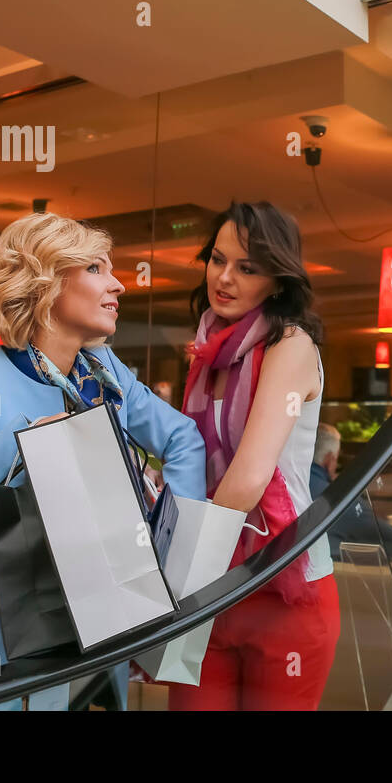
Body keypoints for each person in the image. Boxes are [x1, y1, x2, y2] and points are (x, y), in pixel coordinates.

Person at [0, 213, 206, 709]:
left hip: (92, 655)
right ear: (48, 282)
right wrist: (14, 451)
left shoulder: (106, 376)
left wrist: (175, 560)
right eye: (97, 269)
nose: (119, 284)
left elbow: (184, 440)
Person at [167, 201, 339, 711]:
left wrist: (180, 568)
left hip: (281, 583)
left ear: (277, 280)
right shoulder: (208, 350)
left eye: (247, 268)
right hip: (211, 586)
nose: (224, 278)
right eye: (217, 260)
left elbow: (247, 478)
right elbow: (191, 461)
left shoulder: (291, 345)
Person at [310, 422, 392, 561]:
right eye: (336, 460)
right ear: (329, 460)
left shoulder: (284, 487)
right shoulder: (339, 500)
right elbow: (389, 538)